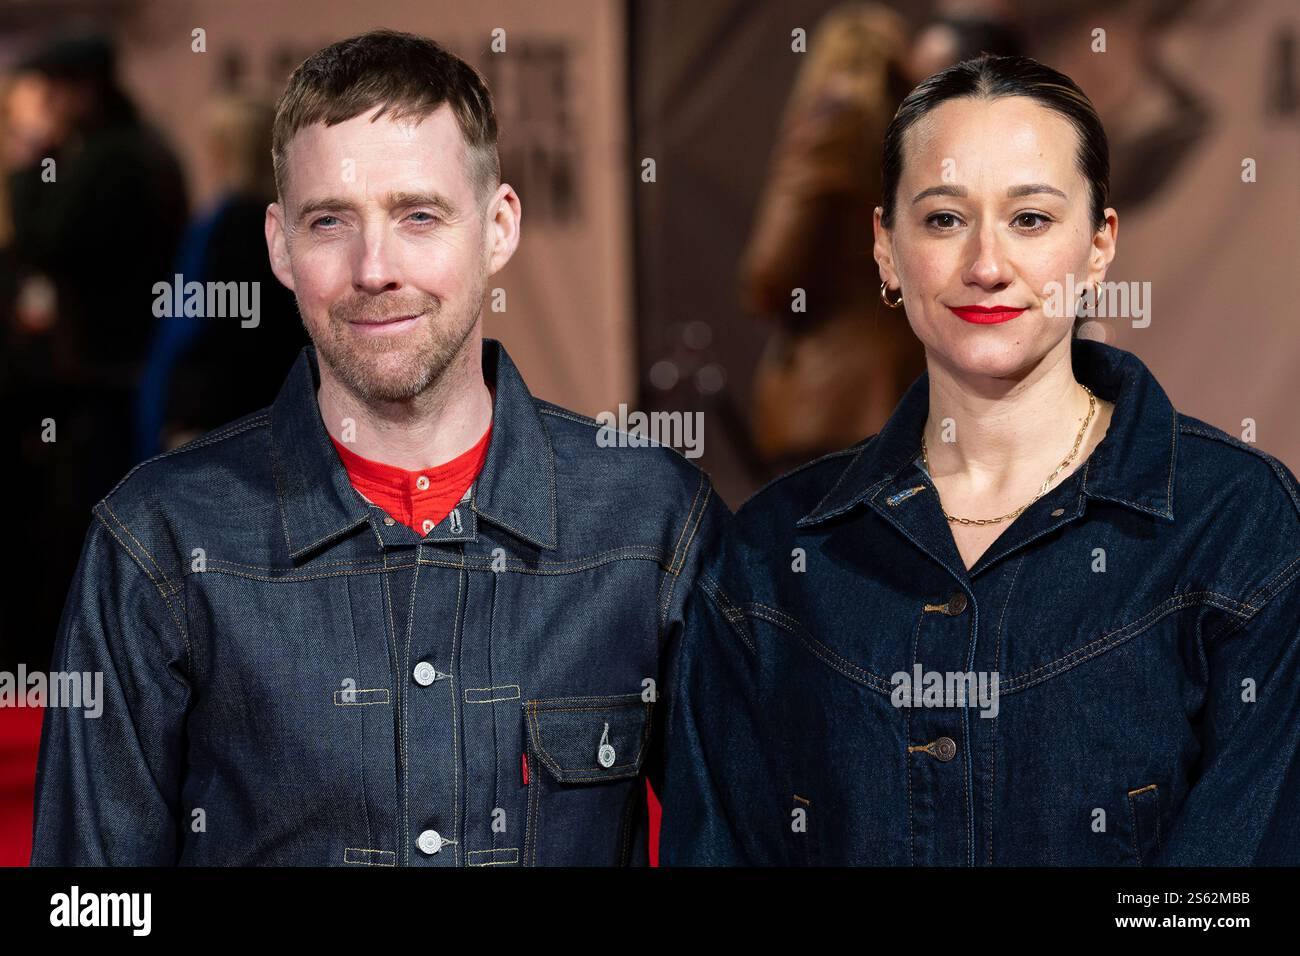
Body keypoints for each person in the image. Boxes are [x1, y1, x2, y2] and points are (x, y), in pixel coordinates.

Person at [31, 29, 727, 867]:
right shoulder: (159, 542)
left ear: (499, 227)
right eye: (331, 222)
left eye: (418, 215)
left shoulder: (653, 526)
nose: (374, 267)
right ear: (281, 246)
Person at [660, 54, 1299, 865]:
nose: (988, 265)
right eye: (943, 219)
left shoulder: (1237, 530)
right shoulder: (770, 560)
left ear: (1099, 245)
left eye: (1030, 219)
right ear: (886, 249)